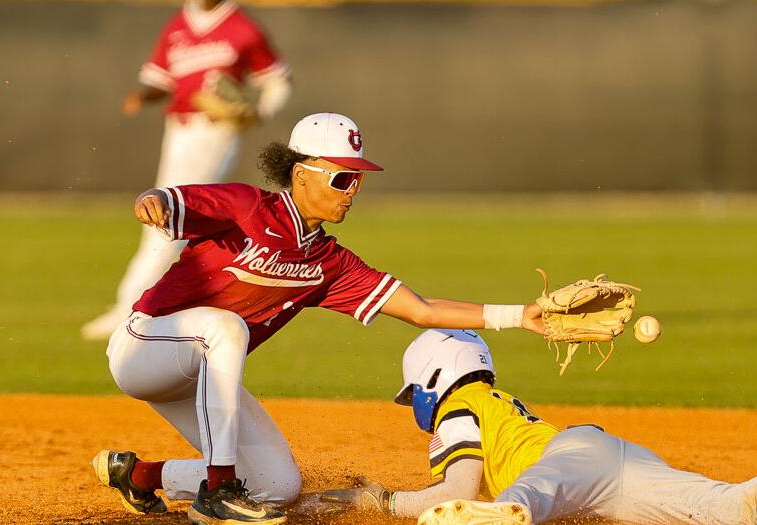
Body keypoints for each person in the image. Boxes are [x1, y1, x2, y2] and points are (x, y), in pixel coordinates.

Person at [90, 113, 545, 525]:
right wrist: (151, 201)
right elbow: (169, 197)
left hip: (196, 376)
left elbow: (421, 310)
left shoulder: (329, 263)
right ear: (302, 174)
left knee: (277, 487)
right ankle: (219, 490)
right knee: (227, 327)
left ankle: (140, 475)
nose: (353, 191)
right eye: (343, 178)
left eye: (358, 180)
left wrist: (520, 315)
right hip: (144, 346)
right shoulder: (248, 207)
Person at [314, 329, 757, 525]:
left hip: (565, 465)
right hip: (601, 456)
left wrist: (385, 501)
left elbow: (459, 494)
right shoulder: (491, 398)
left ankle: (516, 513)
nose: (416, 404)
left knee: (519, 504)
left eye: (414, 392)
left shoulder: (454, 412)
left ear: (433, 380)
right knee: (732, 512)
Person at [82, 0, 292, 341]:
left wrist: (259, 112)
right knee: (172, 217)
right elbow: (161, 81)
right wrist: (141, 96)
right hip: (177, 130)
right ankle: (157, 305)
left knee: (168, 215)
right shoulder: (179, 24)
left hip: (214, 132)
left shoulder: (242, 27)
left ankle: (132, 309)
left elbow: (279, 81)